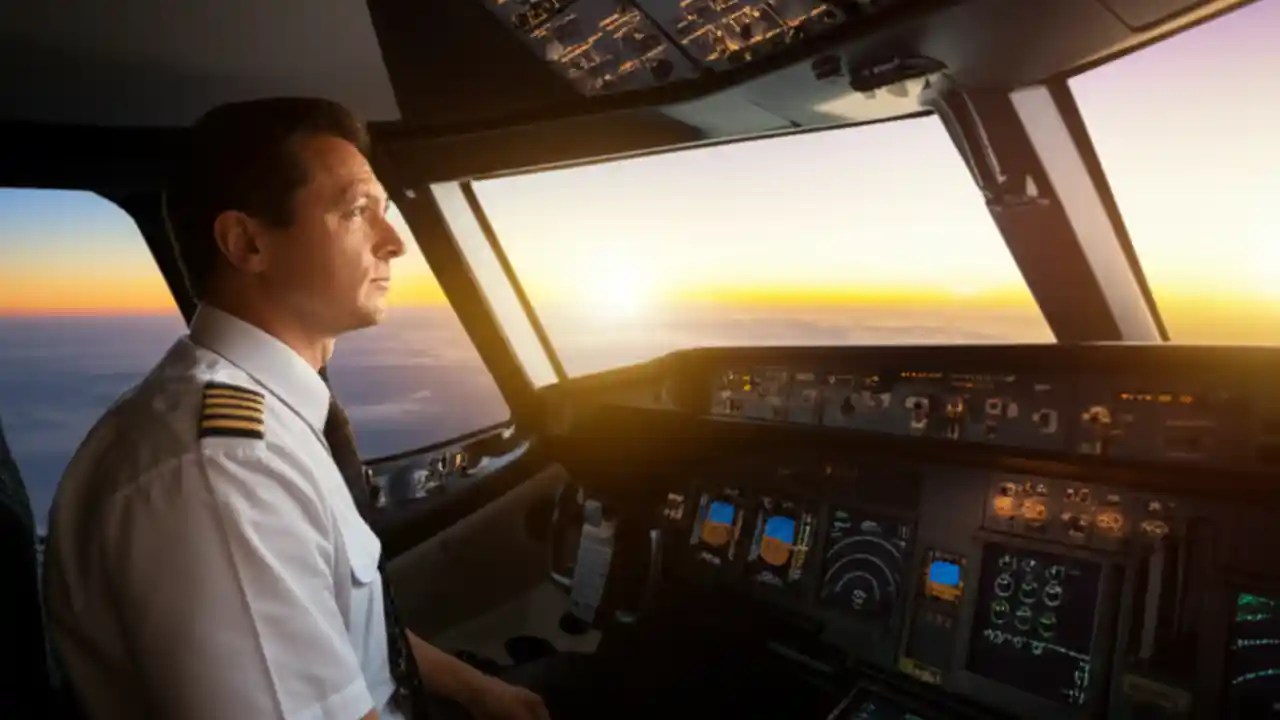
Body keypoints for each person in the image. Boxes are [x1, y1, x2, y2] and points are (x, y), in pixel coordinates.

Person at [43, 98, 550, 720]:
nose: (394, 243)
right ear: (247, 243)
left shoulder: (267, 418)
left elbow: (348, 632)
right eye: (358, 211)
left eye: (385, 212)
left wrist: (484, 693)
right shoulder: (224, 474)